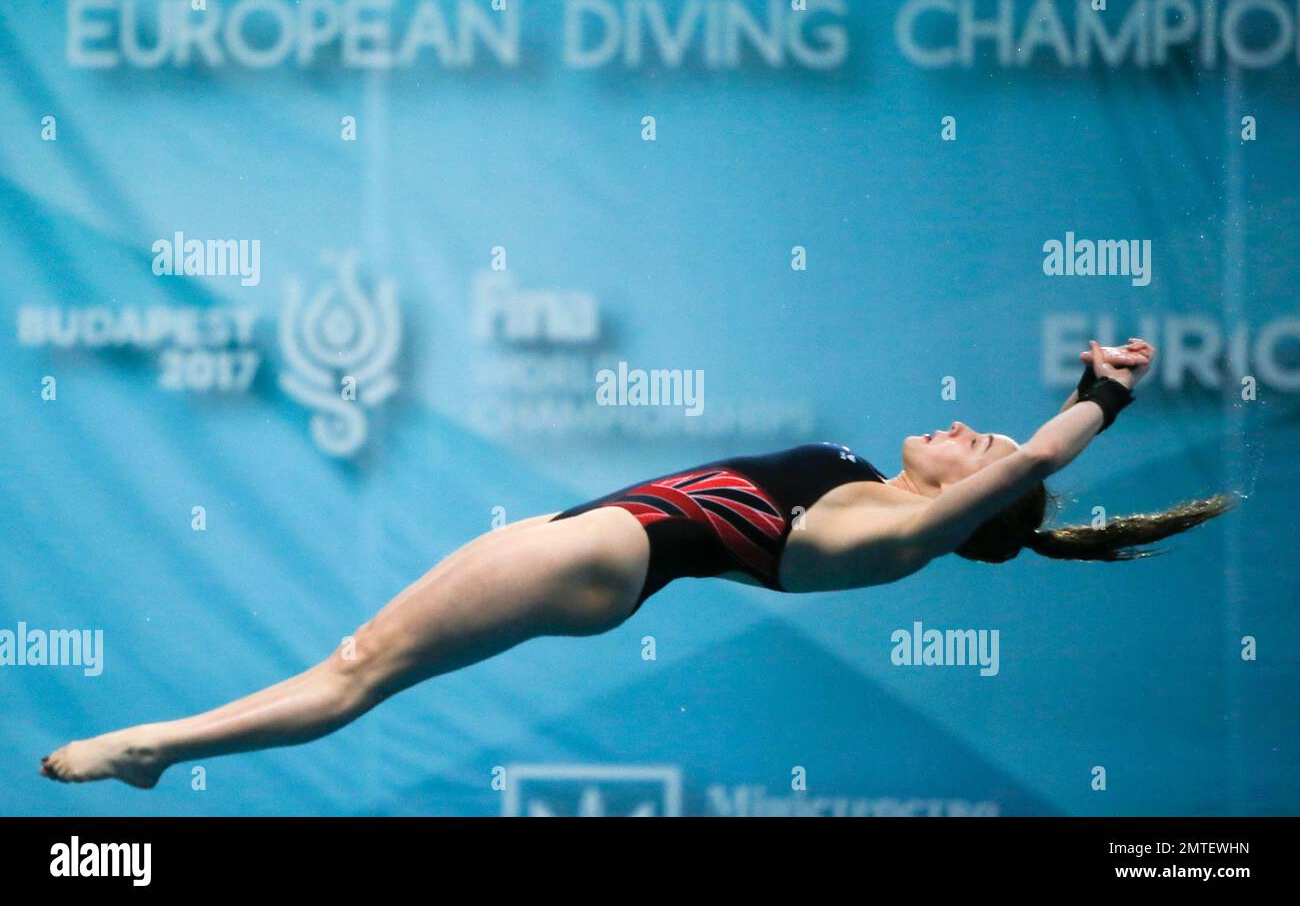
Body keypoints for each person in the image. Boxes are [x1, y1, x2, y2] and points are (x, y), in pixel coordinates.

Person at [39, 338, 1232, 788]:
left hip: (613, 552)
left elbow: (1023, 466)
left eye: (984, 450)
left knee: (358, 669)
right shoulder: (864, 471)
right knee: (358, 665)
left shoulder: (890, 535)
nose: (973, 431)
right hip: (602, 544)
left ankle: (155, 747)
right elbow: (1005, 472)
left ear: (970, 501)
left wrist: (1097, 401)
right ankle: (162, 751)